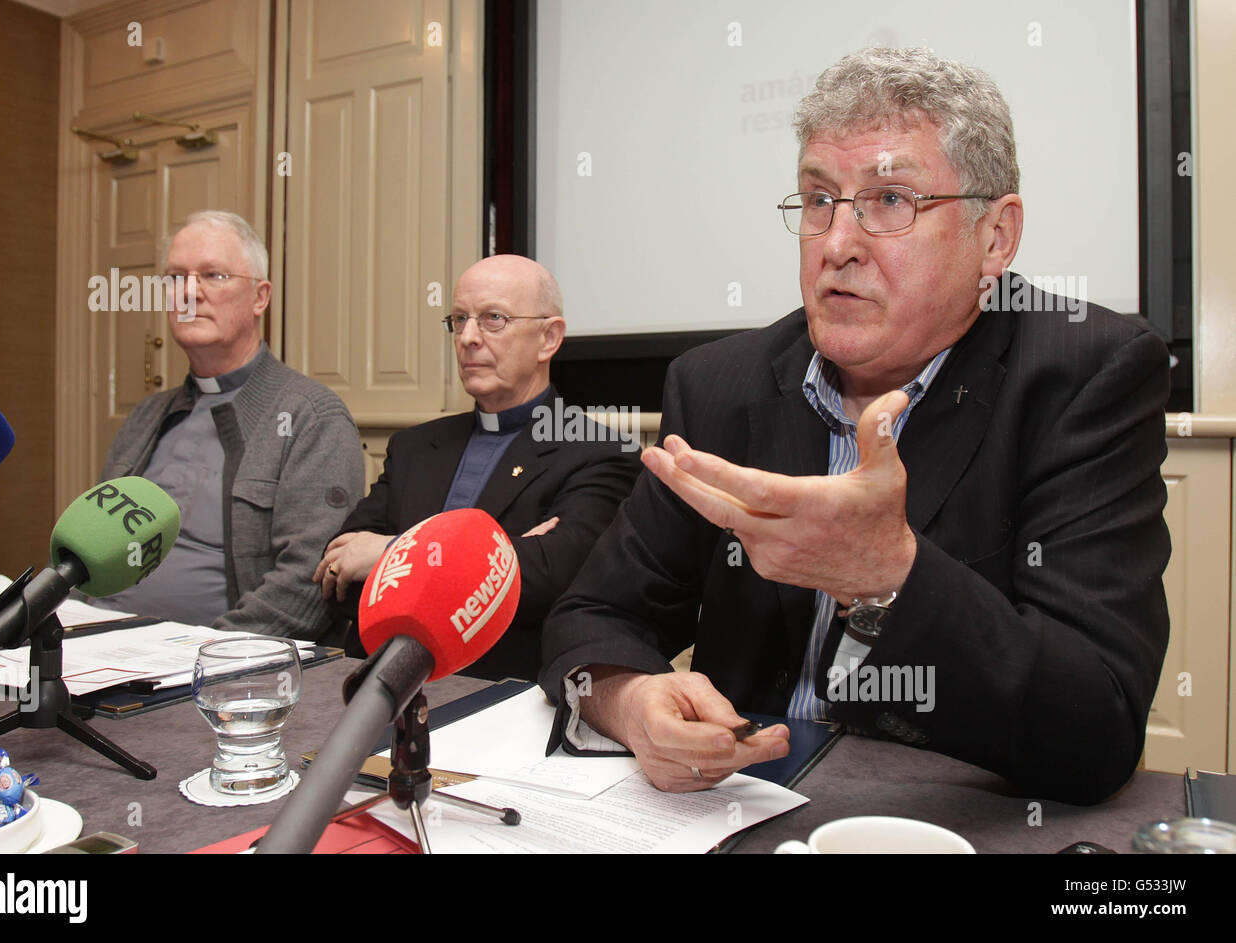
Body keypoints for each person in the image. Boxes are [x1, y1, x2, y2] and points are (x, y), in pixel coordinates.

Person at [538, 47, 1171, 804]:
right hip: (743, 810)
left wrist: (891, 576)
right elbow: (594, 615)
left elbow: (1097, 724)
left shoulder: (1085, 373)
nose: (836, 244)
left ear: (995, 238)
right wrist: (629, 701)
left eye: (891, 200)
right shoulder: (717, 386)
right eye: (818, 199)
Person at [315, 255, 642, 681]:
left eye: (493, 319)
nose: (468, 337)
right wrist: (501, 551)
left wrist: (388, 551)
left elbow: (547, 582)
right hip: (377, 682)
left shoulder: (601, 452)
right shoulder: (415, 447)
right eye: (459, 319)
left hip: (499, 690)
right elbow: (338, 577)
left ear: (549, 338)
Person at [94, 210, 364, 640]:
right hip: (96, 644)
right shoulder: (146, 417)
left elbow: (309, 583)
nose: (188, 293)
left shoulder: (310, 417)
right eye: (175, 278)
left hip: (210, 667)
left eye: (213, 276)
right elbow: (91, 546)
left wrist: (206, 656)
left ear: (260, 297)